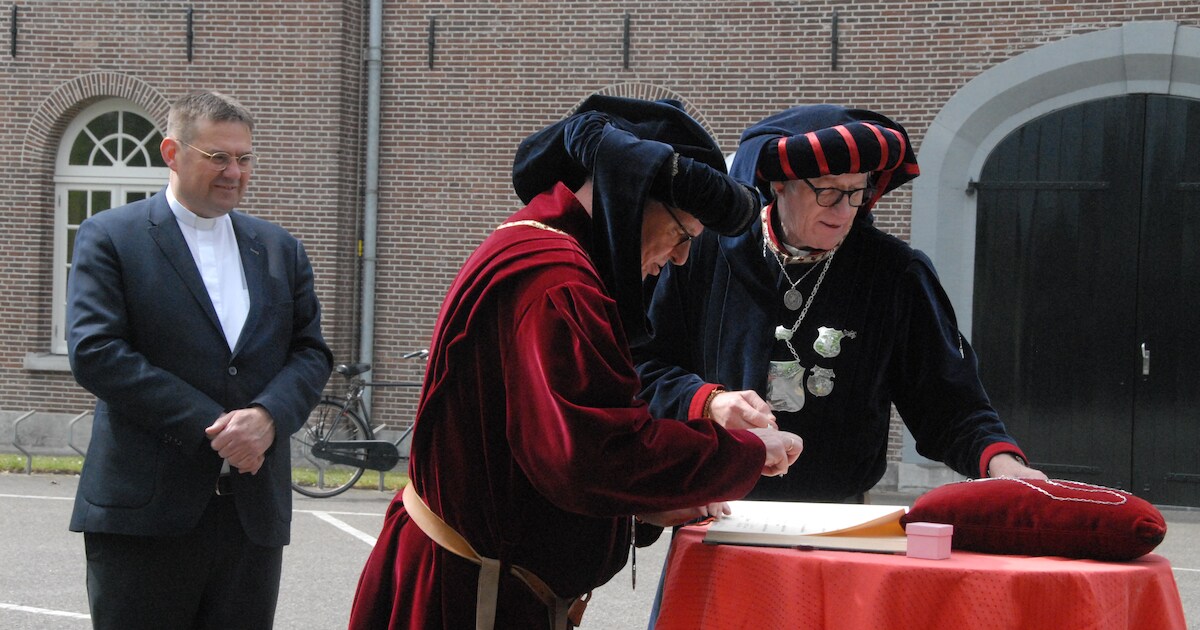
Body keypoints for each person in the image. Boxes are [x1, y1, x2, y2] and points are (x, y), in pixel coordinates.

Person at [348, 94, 803, 630]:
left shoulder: (550, 256)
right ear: (633, 198)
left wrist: (647, 503)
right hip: (472, 602)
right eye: (682, 235)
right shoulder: (557, 282)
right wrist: (746, 454)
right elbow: (591, 456)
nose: (680, 258)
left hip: (490, 586)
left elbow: (537, 452)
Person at [635, 104, 1048, 506]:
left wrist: (1003, 464)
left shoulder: (894, 273)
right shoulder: (703, 252)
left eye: (856, 192)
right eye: (828, 190)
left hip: (837, 519)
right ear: (780, 183)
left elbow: (949, 403)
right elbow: (643, 368)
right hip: (716, 506)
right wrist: (707, 401)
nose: (844, 210)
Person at [66, 90, 333, 629]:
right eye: (218, 157)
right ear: (171, 152)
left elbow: (310, 351)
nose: (235, 172)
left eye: (245, 157)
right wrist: (214, 428)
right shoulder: (111, 237)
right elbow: (96, 351)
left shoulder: (281, 248)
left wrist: (266, 418)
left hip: (250, 517)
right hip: (144, 515)